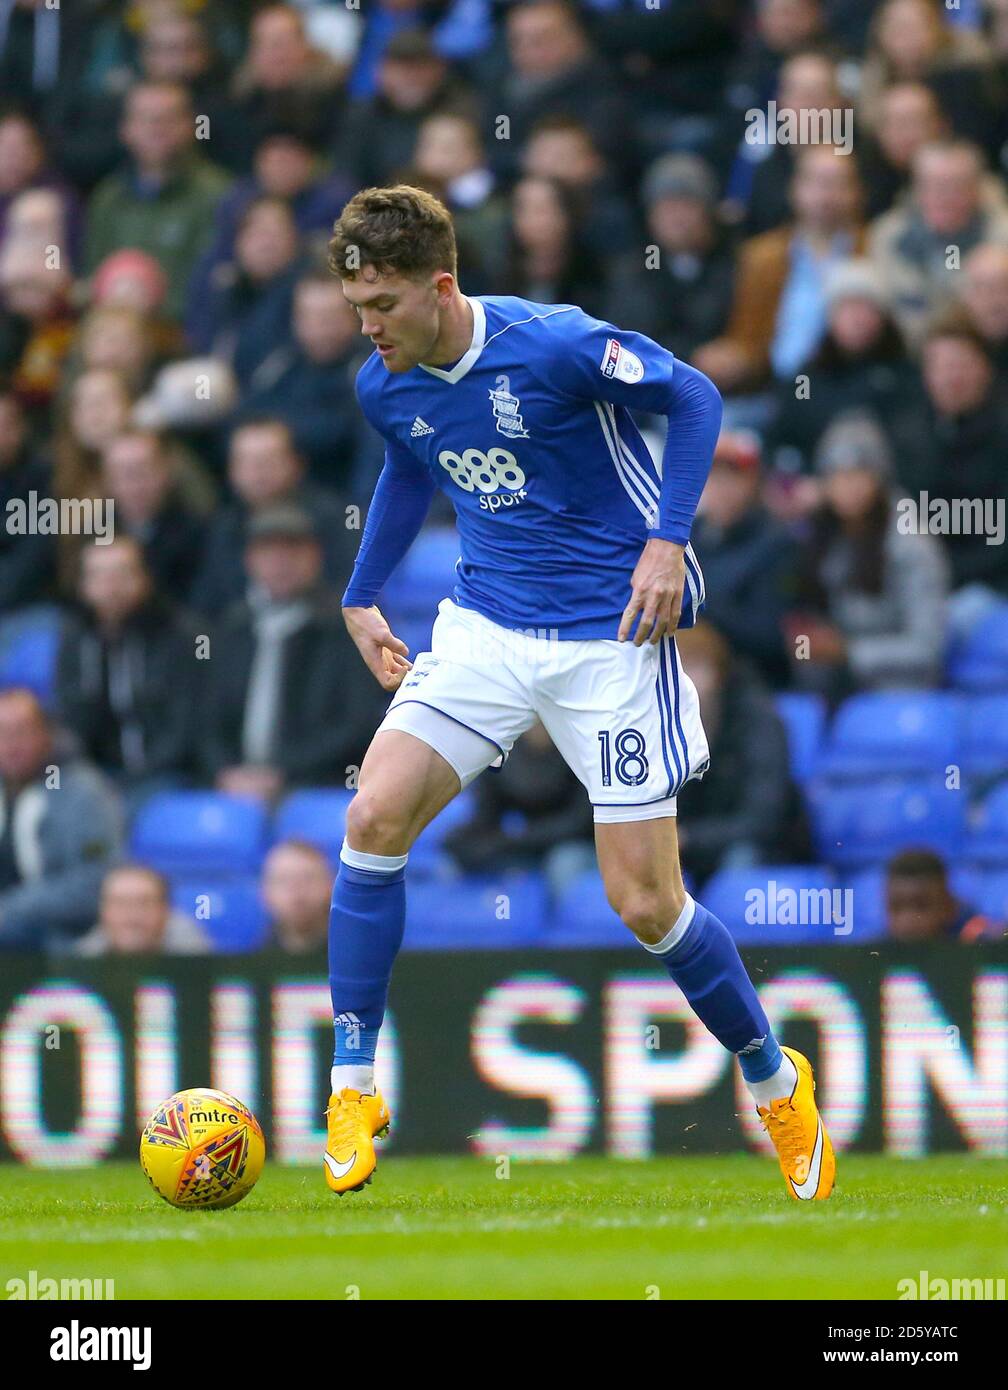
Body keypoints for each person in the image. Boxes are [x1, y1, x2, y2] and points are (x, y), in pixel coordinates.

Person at [321, 183, 835, 1201]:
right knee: (373, 814)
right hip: (486, 627)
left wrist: (666, 540)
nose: (366, 327)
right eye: (354, 308)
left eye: (381, 304)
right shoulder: (385, 381)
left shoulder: (554, 345)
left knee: (645, 903)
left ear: (441, 285)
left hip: (611, 635)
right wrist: (362, 593)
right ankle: (352, 1084)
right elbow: (409, 467)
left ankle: (776, 1081)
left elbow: (695, 397)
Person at [201, 502, 385, 800]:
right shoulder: (233, 628)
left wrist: (284, 772)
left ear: (315, 557)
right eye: (269, 552)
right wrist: (225, 772)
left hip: (319, 785)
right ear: (250, 560)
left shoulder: (345, 627)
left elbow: (357, 723)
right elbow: (207, 721)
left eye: (292, 551)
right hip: (235, 789)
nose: (281, 562)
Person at [0, 686, 123, 949]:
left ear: (46, 735)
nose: (10, 744)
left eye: (20, 732)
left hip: (62, 934)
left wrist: (11, 909)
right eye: (2, 734)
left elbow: (95, 883)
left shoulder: (85, 793)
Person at [70, 863, 210, 956]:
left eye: (144, 904)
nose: (132, 917)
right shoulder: (84, 960)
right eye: (120, 904)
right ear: (103, 911)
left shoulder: (194, 957)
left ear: (165, 910)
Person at [885, 850, 1001, 943]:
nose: (907, 920)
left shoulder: (979, 943)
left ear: (948, 906)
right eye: (896, 907)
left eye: (921, 906)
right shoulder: (877, 951)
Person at [261, 838, 334, 953]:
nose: (296, 889)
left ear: (330, 886)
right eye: (283, 880)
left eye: (308, 878)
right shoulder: (251, 960)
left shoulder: (355, 955)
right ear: (265, 894)